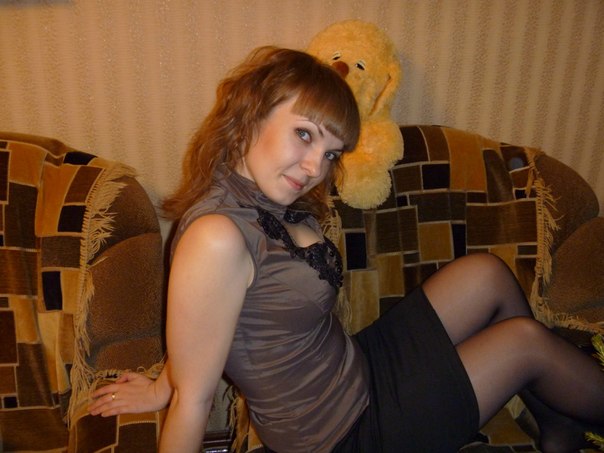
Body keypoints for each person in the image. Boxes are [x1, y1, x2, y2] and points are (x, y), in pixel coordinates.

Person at [88, 46, 604, 453]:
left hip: (357, 366)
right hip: (345, 434)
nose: (315, 167)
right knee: (525, 343)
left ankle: (555, 418)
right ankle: (560, 410)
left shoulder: (260, 196)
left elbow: (199, 332)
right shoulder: (216, 238)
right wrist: (169, 395)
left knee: (485, 274)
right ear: (250, 115)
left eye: (331, 152)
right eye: (304, 134)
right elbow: (195, 398)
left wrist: (159, 385)